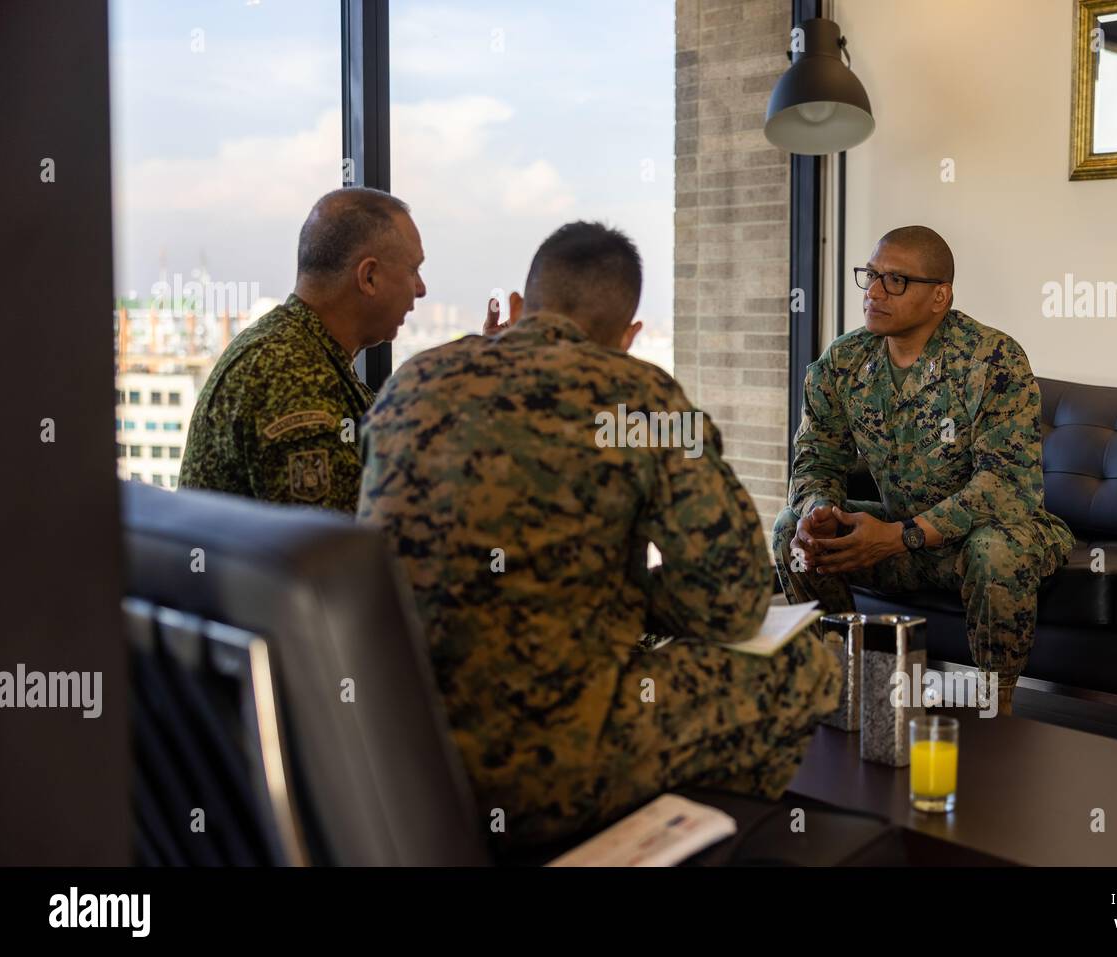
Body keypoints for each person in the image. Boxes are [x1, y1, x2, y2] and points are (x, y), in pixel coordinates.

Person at [358, 221, 839, 847]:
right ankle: (674, 845)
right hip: (545, 765)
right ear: (630, 338)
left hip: (396, 749)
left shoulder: (411, 383)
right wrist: (634, 587)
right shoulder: (639, 397)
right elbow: (733, 601)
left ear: (525, 308)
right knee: (804, 665)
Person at [773, 226, 1074, 716]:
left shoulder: (992, 359)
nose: (873, 292)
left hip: (990, 533)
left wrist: (898, 536)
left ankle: (996, 708)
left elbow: (1002, 488)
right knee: (791, 530)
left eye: (895, 280)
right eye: (870, 275)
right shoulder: (844, 361)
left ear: (940, 295)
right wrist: (818, 511)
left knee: (993, 549)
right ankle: (846, 684)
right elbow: (816, 457)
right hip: (897, 532)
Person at [179, 187, 425, 511]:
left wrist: (485, 363)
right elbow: (337, 544)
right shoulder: (288, 372)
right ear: (369, 277)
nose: (421, 289)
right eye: (413, 270)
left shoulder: (305, 353)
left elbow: (390, 444)